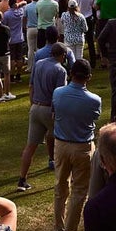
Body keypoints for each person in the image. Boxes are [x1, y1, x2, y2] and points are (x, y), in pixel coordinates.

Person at [50, 59, 101, 231]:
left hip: (61, 145)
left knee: (60, 186)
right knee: (79, 190)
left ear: (71, 74)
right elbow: (94, 117)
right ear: (88, 77)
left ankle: (58, 229)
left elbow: (55, 113)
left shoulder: (58, 93)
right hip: (83, 147)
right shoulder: (94, 100)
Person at [19, 42, 67, 191]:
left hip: (35, 108)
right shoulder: (60, 70)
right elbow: (59, 95)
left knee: (30, 146)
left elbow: (31, 85)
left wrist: (32, 103)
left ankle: (22, 180)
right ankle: (61, 178)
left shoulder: (38, 63)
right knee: (61, 143)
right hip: (49, 109)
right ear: (62, 55)